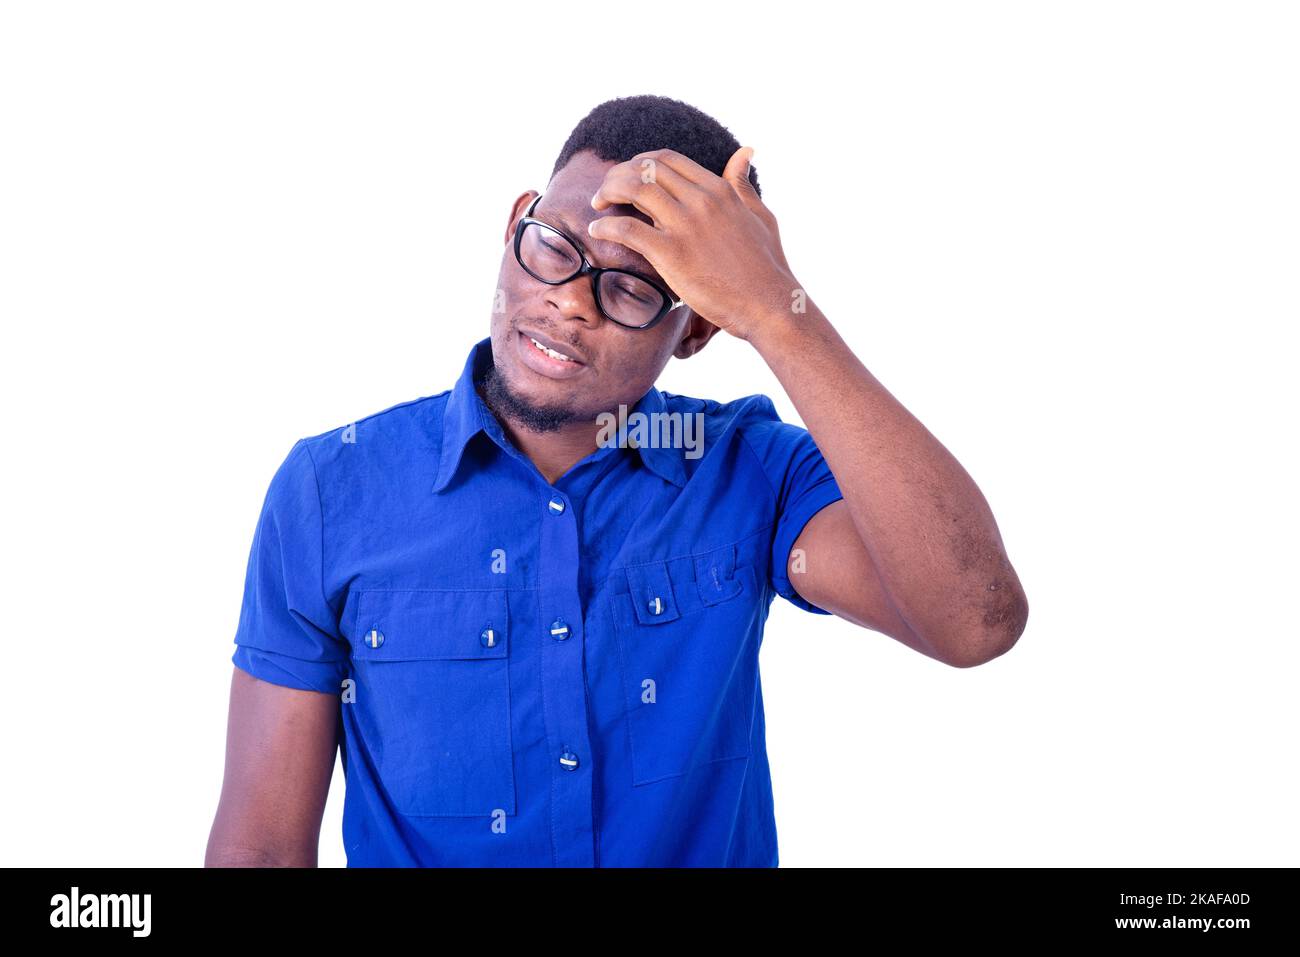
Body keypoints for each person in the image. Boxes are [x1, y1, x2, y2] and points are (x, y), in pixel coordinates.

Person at [206, 94, 1028, 867]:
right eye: (555, 248)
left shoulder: (750, 471)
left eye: (631, 286)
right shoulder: (328, 490)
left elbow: (975, 619)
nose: (569, 303)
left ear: (698, 327)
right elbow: (263, 849)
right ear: (512, 226)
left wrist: (779, 310)